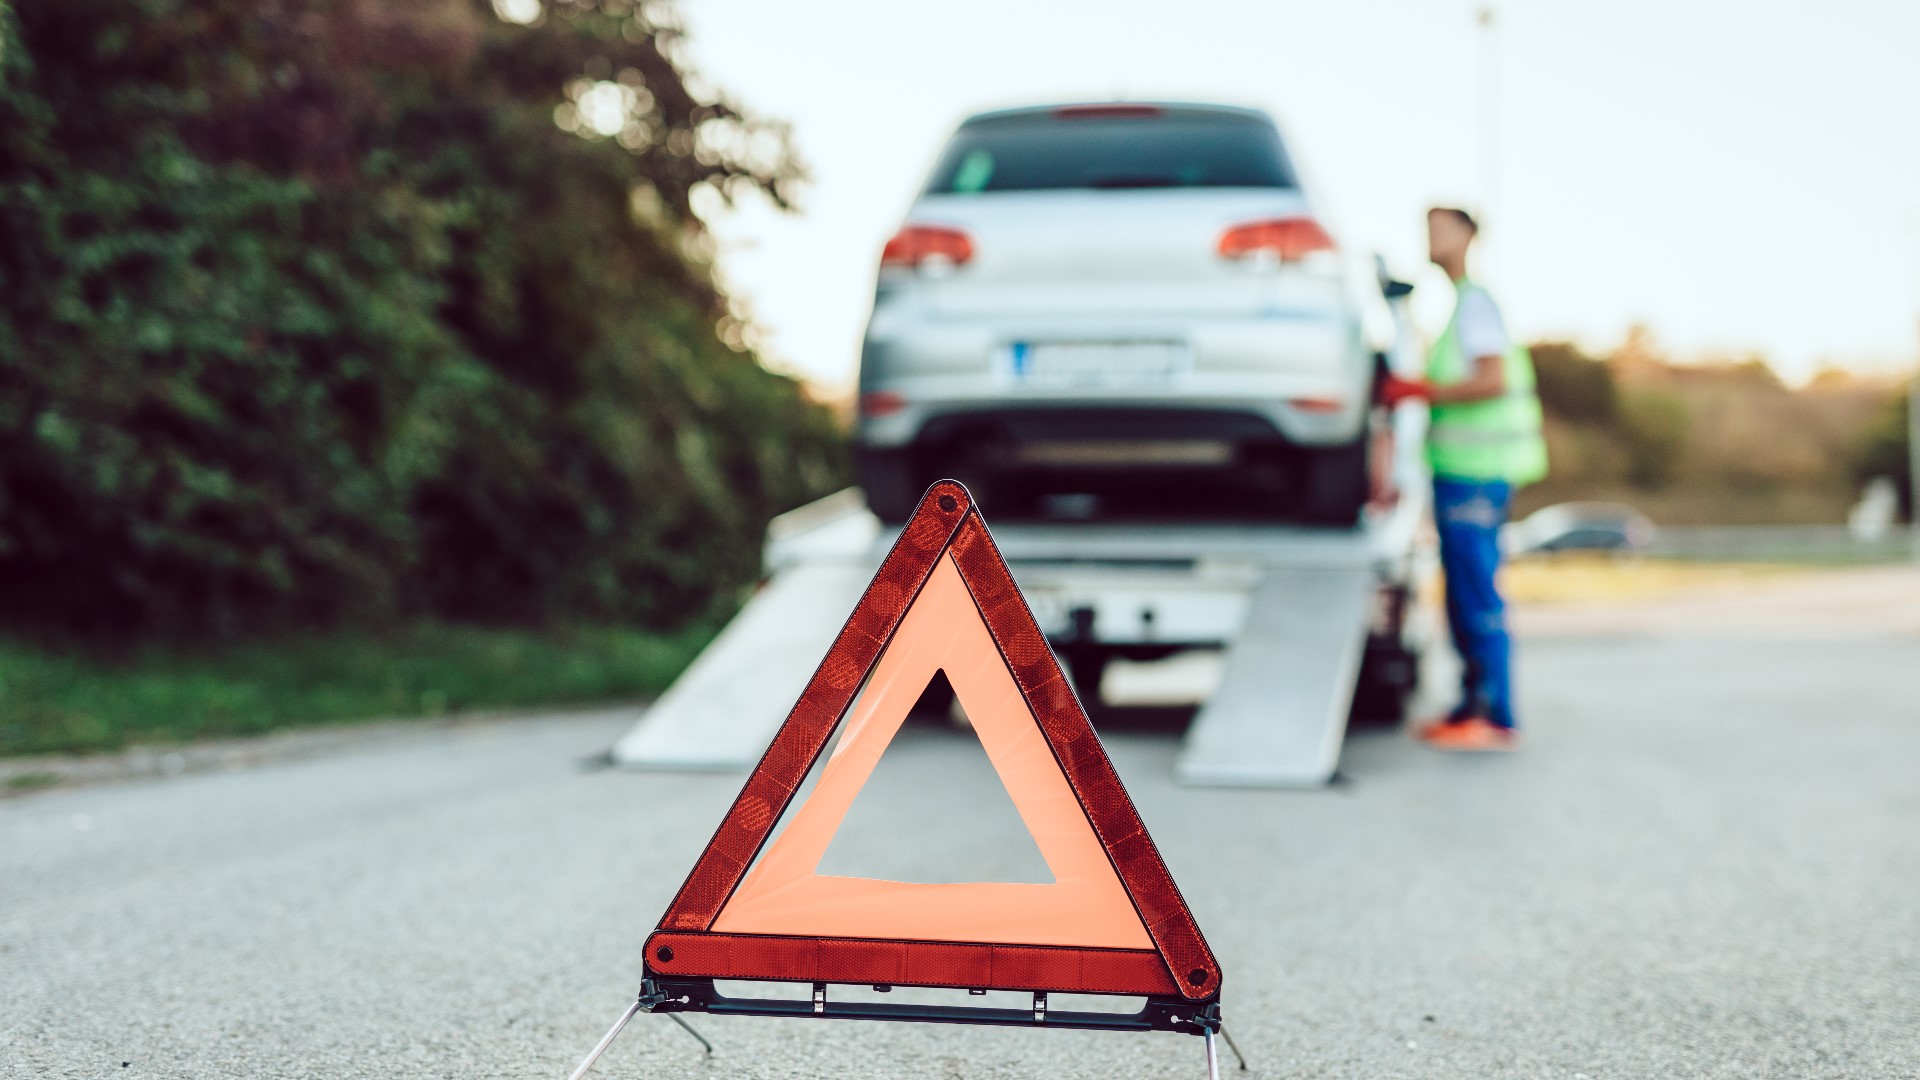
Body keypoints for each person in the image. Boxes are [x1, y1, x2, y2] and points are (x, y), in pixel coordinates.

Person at [1380, 207, 1548, 751]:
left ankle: (1494, 715)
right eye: (1425, 228)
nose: (1430, 238)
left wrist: (1417, 390)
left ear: (1469, 236)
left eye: (1440, 228)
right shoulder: (1460, 307)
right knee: (1462, 590)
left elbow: (1491, 381)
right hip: (1462, 473)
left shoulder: (1476, 305)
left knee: (1476, 591)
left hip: (1478, 475)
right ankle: (1471, 704)